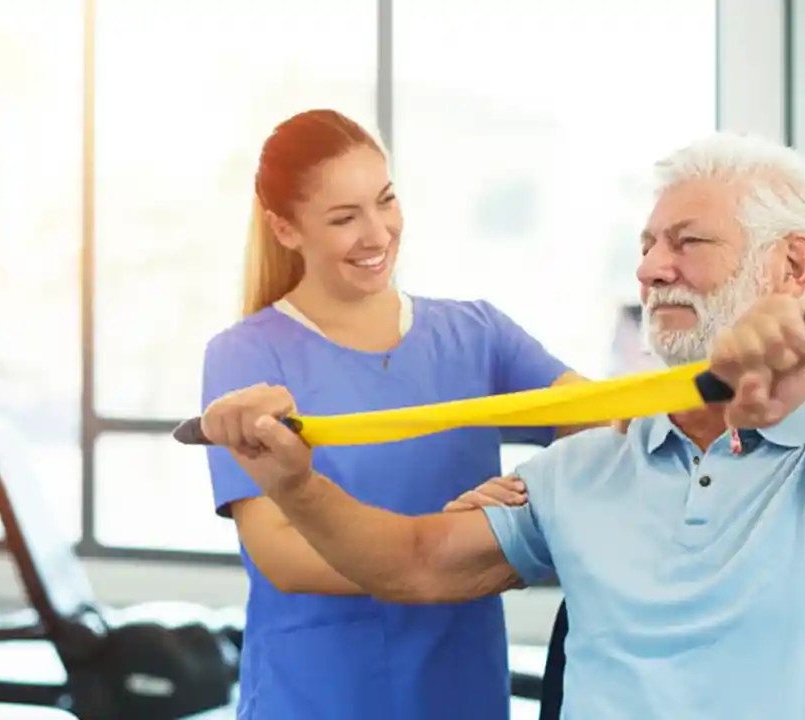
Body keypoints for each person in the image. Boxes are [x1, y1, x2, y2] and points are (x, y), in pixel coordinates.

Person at [198, 132, 805, 719]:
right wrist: (296, 483)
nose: (651, 267)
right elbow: (412, 562)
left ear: (790, 267)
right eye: (648, 245)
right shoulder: (586, 466)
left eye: (687, 243)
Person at [200, 108, 595, 719]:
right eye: (344, 218)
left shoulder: (478, 335)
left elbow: (600, 427)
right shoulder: (246, 356)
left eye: (385, 201)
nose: (378, 233)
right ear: (285, 230)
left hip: (461, 693)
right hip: (317, 698)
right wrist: (448, 551)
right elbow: (280, 554)